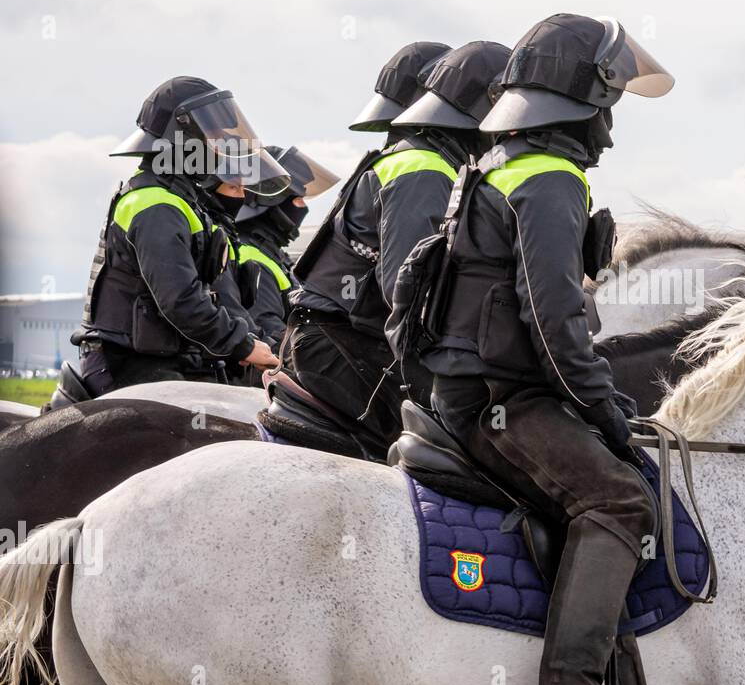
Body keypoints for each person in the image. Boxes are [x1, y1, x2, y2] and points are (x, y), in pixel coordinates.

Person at [418, 14, 674, 685]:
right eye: (610, 102)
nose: (612, 124)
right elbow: (555, 326)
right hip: (506, 403)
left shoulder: (496, 163)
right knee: (622, 499)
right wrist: (606, 415)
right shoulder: (552, 178)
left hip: (472, 390)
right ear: (582, 99)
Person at [277, 41, 503, 456]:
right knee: (467, 446)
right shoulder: (424, 168)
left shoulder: (408, 158)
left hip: (334, 340)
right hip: (345, 347)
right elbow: (408, 291)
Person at [67, 76, 285, 398]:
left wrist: (255, 342)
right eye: (215, 135)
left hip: (162, 360)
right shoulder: (155, 204)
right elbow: (180, 300)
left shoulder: (182, 202)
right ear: (183, 137)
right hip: (126, 363)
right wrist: (243, 344)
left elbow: (216, 295)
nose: (222, 146)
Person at [233, 145, 342, 356]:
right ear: (271, 202)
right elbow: (268, 329)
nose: (304, 208)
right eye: (298, 199)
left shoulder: (269, 253)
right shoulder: (250, 256)